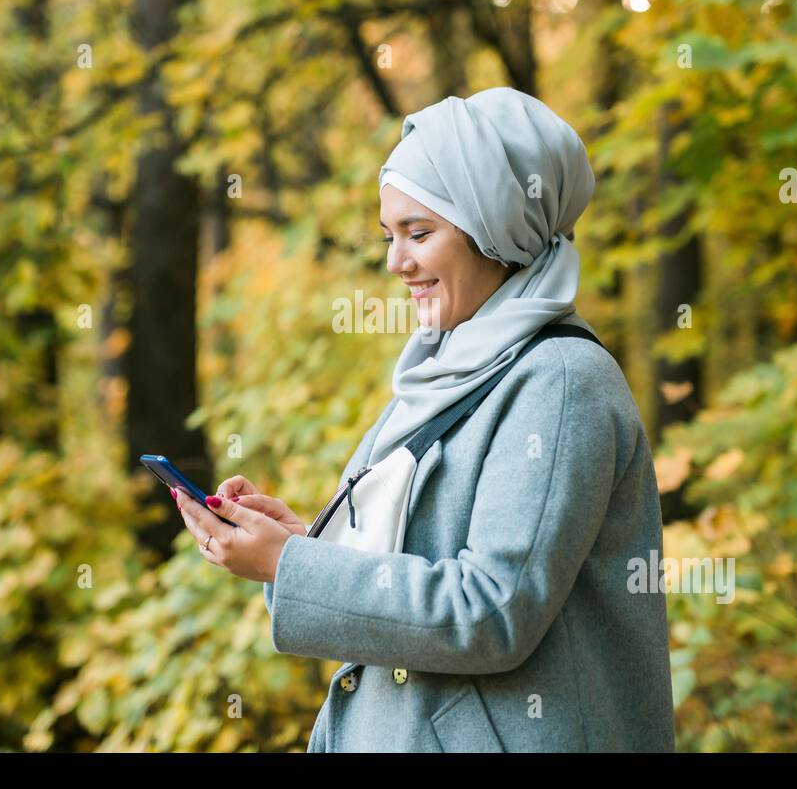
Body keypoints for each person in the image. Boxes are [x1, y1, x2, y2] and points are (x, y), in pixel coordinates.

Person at [174, 87, 675, 752]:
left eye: (419, 233)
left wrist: (289, 565)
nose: (395, 262)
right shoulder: (442, 371)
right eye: (390, 236)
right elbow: (405, 577)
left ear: (496, 228)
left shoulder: (557, 382)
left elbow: (492, 611)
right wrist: (300, 547)